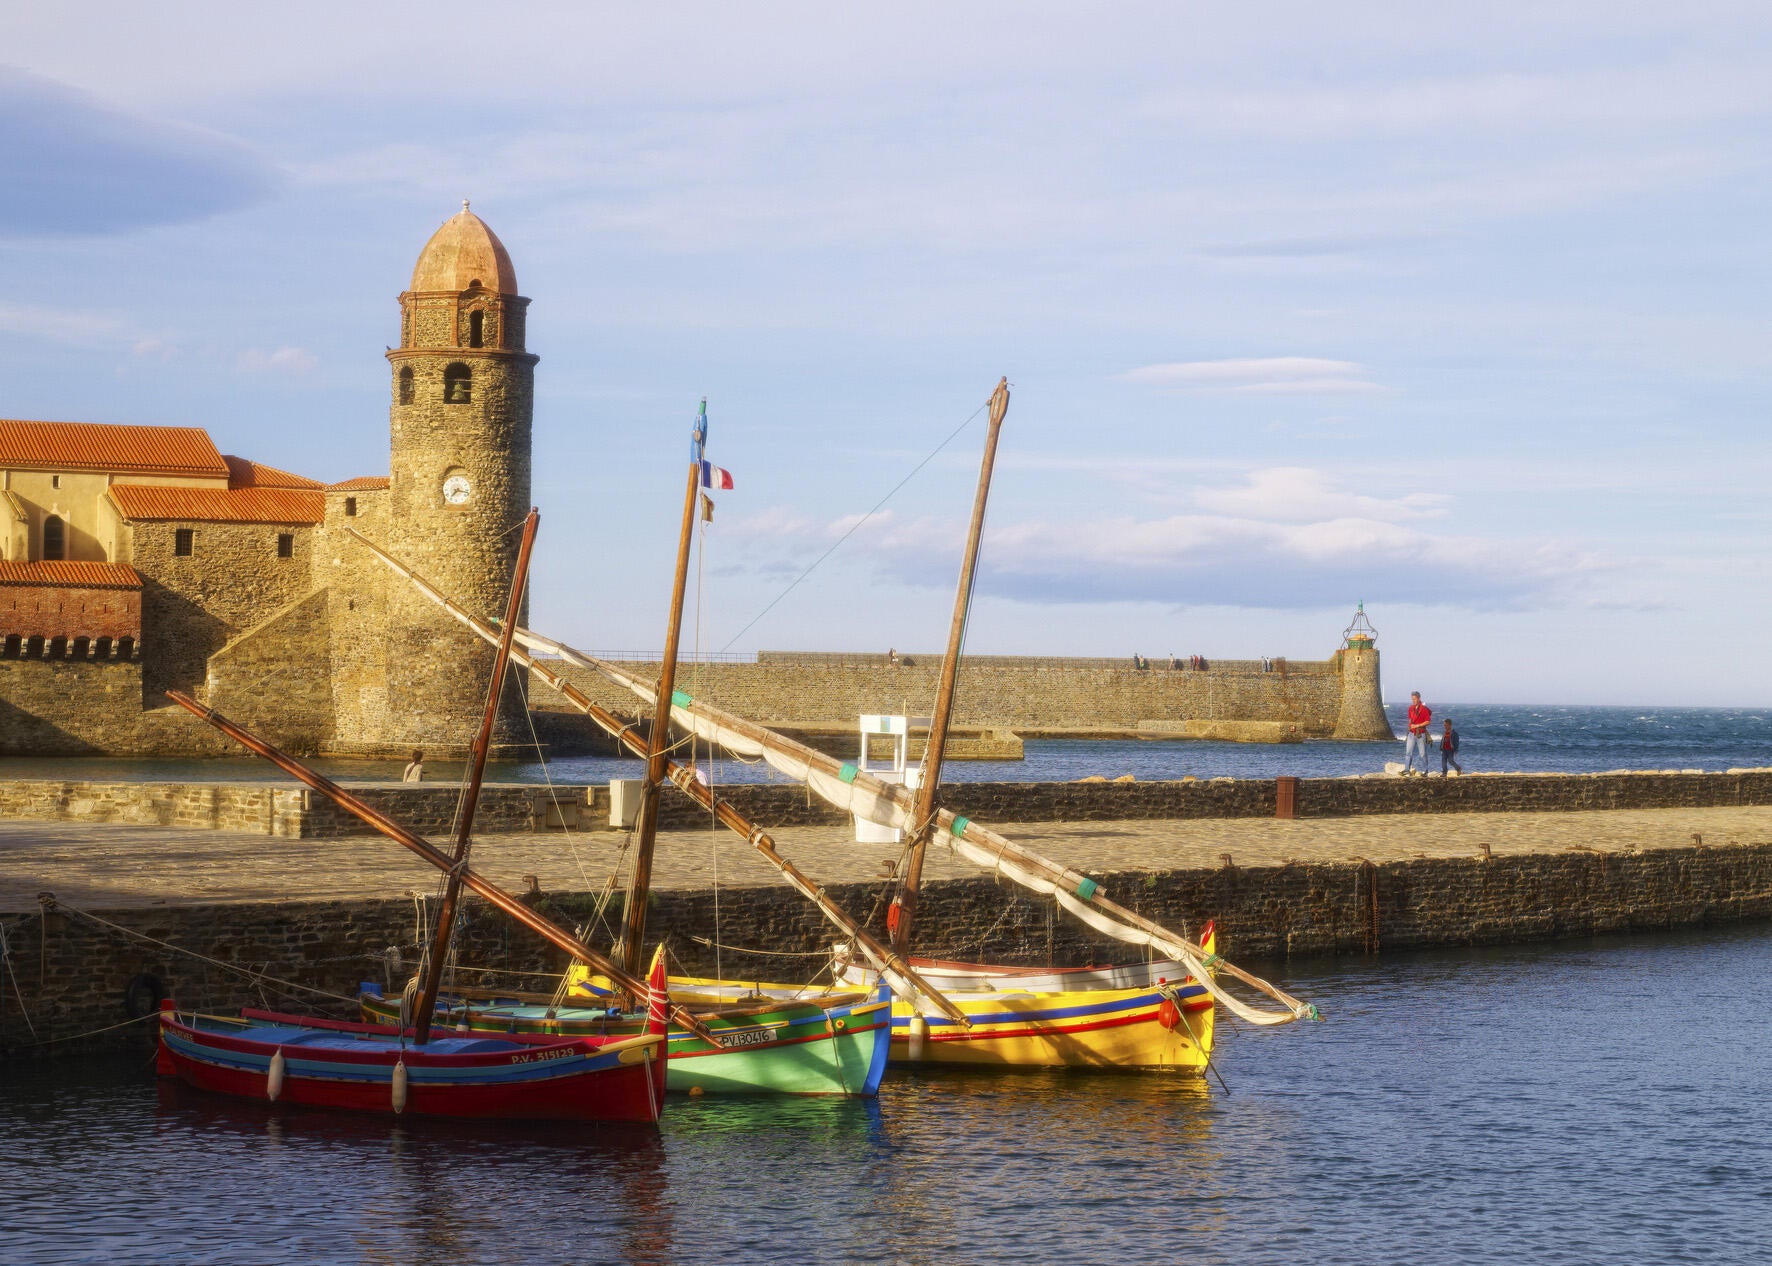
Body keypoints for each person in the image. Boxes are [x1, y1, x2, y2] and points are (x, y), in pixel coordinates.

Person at [1403, 692, 1432, 775]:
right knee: (1408, 752)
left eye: (1414, 699)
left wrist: (1417, 725)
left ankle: (1425, 771)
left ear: (1419, 698)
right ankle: (1407, 770)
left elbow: (1428, 721)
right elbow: (1410, 719)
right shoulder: (1410, 708)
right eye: (1412, 699)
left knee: (1422, 753)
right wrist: (1410, 726)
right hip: (1411, 733)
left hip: (1420, 733)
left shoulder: (1424, 709)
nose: (1413, 701)